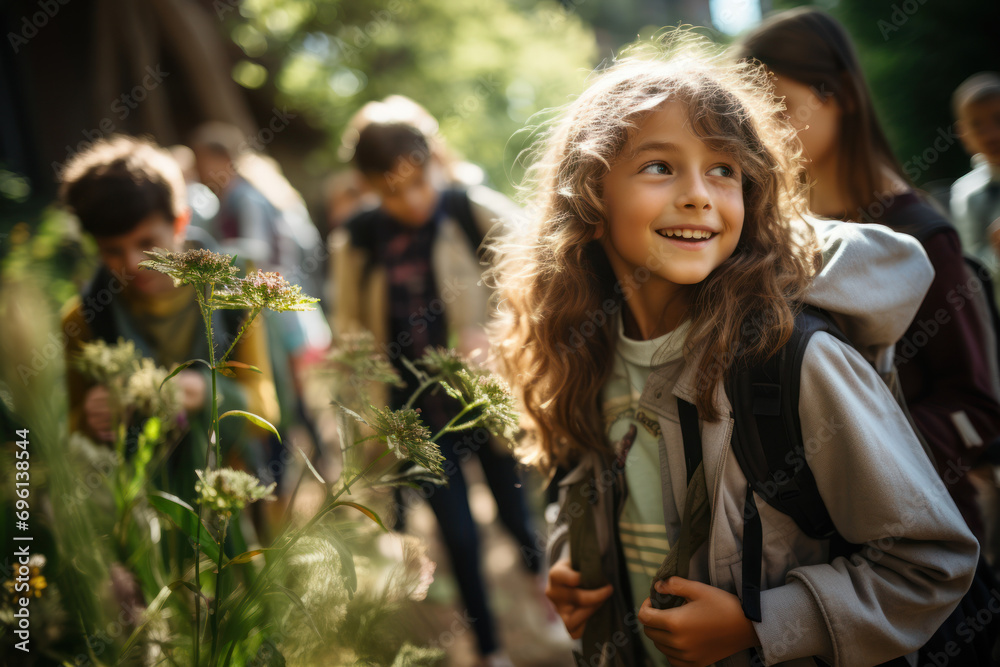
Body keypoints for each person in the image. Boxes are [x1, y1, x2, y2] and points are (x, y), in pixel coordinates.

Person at [489, 35, 978, 666]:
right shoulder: (582, 355)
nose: (699, 193)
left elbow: (931, 564)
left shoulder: (794, 359)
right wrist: (573, 565)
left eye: (724, 170)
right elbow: (584, 494)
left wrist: (763, 623)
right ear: (589, 197)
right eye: (659, 166)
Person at [736, 8, 1000, 545]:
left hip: (922, 554)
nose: (763, 134)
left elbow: (977, 409)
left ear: (842, 95)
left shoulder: (921, 236)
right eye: (748, 118)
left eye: (779, 108)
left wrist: (857, 450)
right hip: (812, 554)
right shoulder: (767, 238)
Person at [329, 103, 541, 667]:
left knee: (519, 517)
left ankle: (554, 609)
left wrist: (497, 334)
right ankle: (491, 649)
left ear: (434, 162)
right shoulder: (358, 240)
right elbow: (348, 327)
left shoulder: (473, 211)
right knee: (458, 536)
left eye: (419, 182)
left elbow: (538, 283)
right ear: (369, 187)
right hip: (414, 415)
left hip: (486, 403)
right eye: (393, 192)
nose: (413, 200)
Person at [59, 135, 280, 500]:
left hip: (230, 492)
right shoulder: (83, 317)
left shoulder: (236, 289)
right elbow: (71, 431)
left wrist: (208, 395)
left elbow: (267, 409)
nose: (132, 263)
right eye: (112, 251)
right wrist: (92, 417)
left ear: (180, 222)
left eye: (146, 243)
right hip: (136, 506)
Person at [951, 71, 1000, 274]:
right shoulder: (966, 195)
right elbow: (971, 264)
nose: (991, 134)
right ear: (963, 135)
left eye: (999, 119)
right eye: (977, 126)